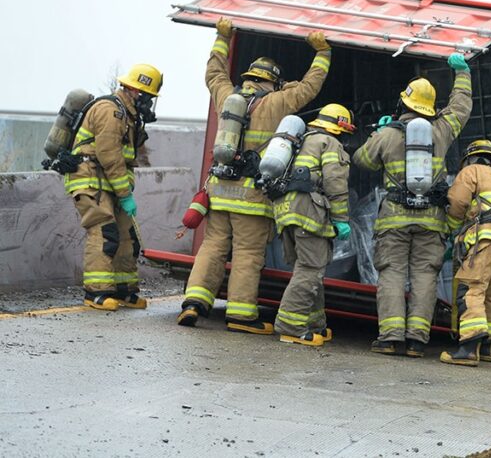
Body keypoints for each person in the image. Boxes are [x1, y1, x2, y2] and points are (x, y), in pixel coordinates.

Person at [177, 18, 331, 334]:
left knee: (212, 247)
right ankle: (241, 315)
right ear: (272, 83)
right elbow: (309, 87)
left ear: (248, 78)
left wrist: (222, 36)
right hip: (253, 197)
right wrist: (323, 53)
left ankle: (194, 303)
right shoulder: (278, 101)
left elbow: (214, 73)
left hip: (220, 190)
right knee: (248, 254)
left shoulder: (226, 96)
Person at [353, 53, 473, 357]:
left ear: (404, 103)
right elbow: (461, 107)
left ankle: (391, 337)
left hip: (394, 219)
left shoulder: (389, 133)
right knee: (425, 275)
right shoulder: (441, 130)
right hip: (432, 220)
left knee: (392, 273)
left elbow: (362, 161)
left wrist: (377, 134)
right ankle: (418, 341)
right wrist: (462, 74)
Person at [65, 63, 163, 311]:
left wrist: (124, 192)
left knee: (126, 235)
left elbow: (126, 159)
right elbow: (109, 155)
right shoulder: (111, 111)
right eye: (148, 97)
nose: (149, 103)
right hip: (89, 179)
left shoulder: (128, 116)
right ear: (135, 91)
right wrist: (124, 193)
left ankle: (124, 290)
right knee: (104, 231)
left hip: (108, 182)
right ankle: (96, 292)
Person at [270, 104, 354, 347]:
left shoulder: (298, 140)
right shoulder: (330, 143)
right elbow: (335, 183)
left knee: (308, 268)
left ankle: (315, 324)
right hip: (309, 212)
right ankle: (290, 327)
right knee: (310, 269)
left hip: (286, 213)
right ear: (340, 127)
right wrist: (341, 220)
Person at [440, 139, 491, 366]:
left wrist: (451, 226)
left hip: (484, 239)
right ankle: (488, 347)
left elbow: (457, 200)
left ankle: (467, 349)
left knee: (470, 289)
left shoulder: (473, 170)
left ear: (470, 157)